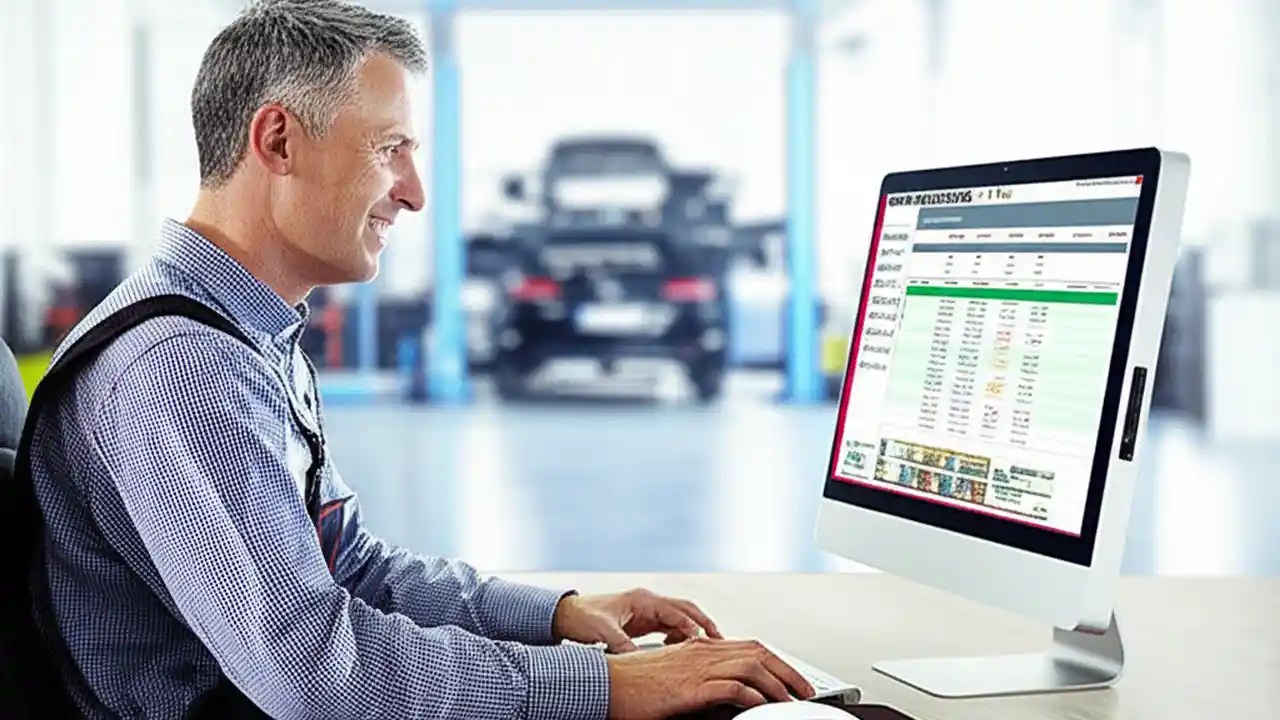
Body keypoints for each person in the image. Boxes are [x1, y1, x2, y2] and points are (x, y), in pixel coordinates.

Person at [24, 1, 815, 718]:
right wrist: (611, 687)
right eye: (390, 148)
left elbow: (352, 572)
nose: (414, 193)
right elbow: (317, 675)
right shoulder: (181, 367)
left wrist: (556, 615)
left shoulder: (247, 336)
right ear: (277, 140)